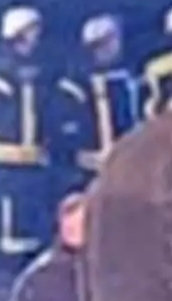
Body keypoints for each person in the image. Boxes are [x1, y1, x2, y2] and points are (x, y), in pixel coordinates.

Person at [0, 5, 55, 264]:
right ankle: (12, 258)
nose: (37, 36)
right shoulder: (2, 70)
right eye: (32, 30)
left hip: (33, 154)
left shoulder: (35, 69)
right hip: (9, 155)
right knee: (12, 208)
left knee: (32, 208)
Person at [56, 12, 143, 189]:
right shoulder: (73, 87)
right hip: (89, 177)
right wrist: (84, 158)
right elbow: (63, 137)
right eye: (111, 40)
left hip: (130, 171)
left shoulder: (131, 80)